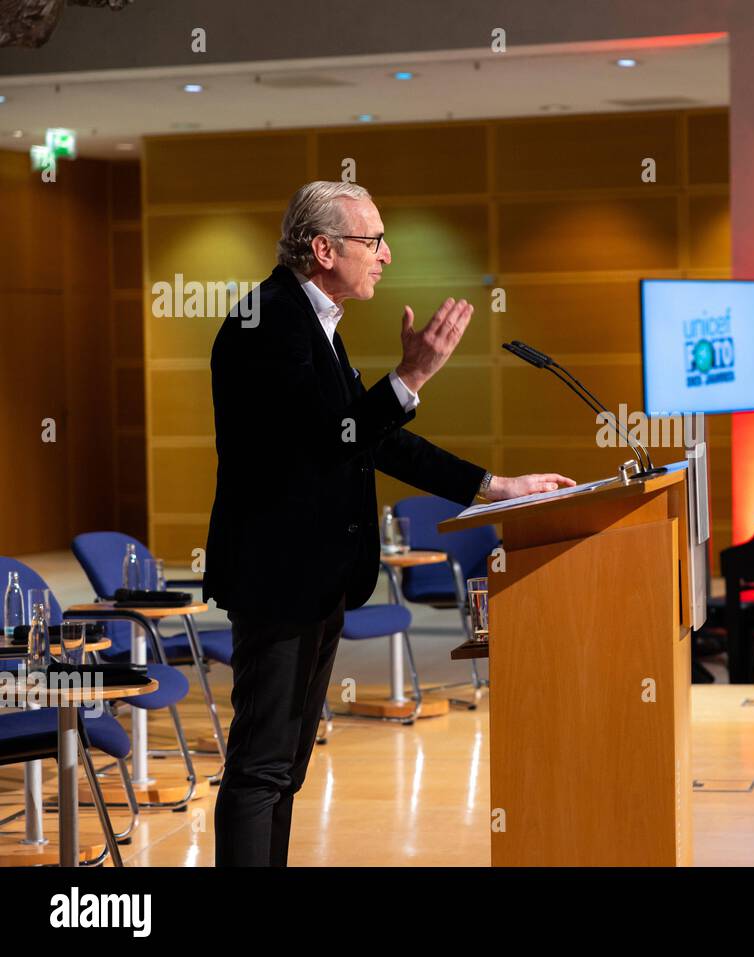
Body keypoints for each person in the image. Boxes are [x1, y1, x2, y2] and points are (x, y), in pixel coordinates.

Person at [203, 181, 575, 866]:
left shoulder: (314, 322)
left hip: (315, 582)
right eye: (372, 240)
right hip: (278, 580)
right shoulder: (266, 323)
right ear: (323, 249)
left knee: (284, 766)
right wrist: (408, 379)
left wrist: (494, 486)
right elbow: (325, 441)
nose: (385, 254)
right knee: (261, 767)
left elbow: (369, 438)